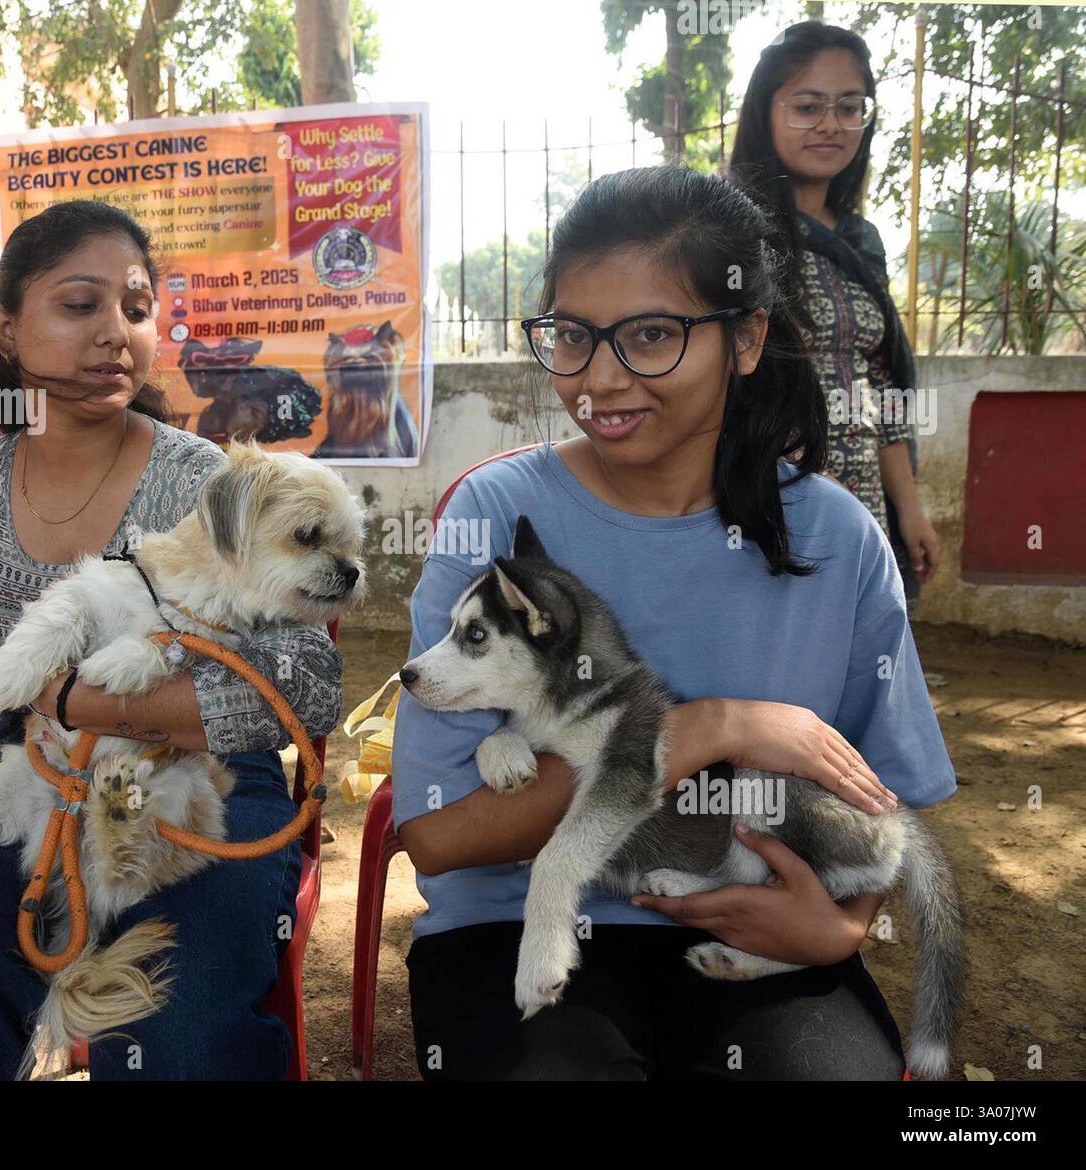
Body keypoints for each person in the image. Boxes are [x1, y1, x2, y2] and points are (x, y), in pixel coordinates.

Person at [391, 166, 957, 1081]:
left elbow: (881, 799)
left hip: (756, 913)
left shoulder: (839, 540)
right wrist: (706, 729)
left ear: (745, 338)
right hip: (516, 922)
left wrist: (836, 925)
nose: (600, 379)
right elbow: (441, 836)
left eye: (652, 335)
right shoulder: (495, 516)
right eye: (571, 337)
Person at [0, 199, 342, 1080]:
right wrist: (23, 688)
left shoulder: (210, 481)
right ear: (7, 327)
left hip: (209, 780)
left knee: (177, 1041)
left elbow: (309, 686)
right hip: (36, 776)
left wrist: (101, 698)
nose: (116, 332)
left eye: (137, 308)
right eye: (81, 306)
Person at [729, 20, 941, 606]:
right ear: (764, 112)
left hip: (862, 501)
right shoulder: (729, 231)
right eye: (807, 105)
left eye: (850, 106)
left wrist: (910, 511)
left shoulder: (861, 242)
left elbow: (883, 384)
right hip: (766, 496)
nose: (830, 124)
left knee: (859, 666)